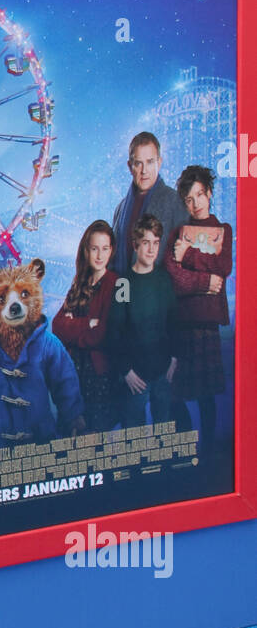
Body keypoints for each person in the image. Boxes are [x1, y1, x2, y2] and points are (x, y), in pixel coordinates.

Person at [162, 165, 232, 458]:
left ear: (210, 193)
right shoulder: (179, 231)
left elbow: (223, 268)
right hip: (182, 323)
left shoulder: (223, 230)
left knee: (206, 395)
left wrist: (189, 255)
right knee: (174, 391)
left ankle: (208, 451)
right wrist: (205, 282)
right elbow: (172, 275)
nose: (196, 203)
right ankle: (185, 447)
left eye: (200, 195)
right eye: (189, 199)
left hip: (207, 326)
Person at [105, 214, 178, 427]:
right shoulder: (123, 284)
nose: (152, 249)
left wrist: (174, 358)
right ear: (136, 246)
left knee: (163, 431)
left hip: (162, 371)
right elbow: (114, 332)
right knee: (133, 435)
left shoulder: (164, 279)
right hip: (136, 376)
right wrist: (125, 371)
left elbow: (173, 322)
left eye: (156, 243)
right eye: (146, 243)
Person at [52, 221, 119, 431]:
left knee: (94, 437)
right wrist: (87, 323)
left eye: (105, 249)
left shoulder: (116, 284)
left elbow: (103, 334)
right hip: (72, 373)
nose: (99, 255)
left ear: (111, 251)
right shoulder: (79, 283)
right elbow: (57, 325)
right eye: (94, 248)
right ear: (86, 250)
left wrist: (74, 326)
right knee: (69, 433)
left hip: (99, 377)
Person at [111, 131, 189, 269]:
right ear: (130, 167)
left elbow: (186, 258)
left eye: (150, 162)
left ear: (159, 163)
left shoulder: (176, 202)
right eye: (138, 163)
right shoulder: (120, 209)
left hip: (158, 288)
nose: (144, 170)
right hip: (123, 287)